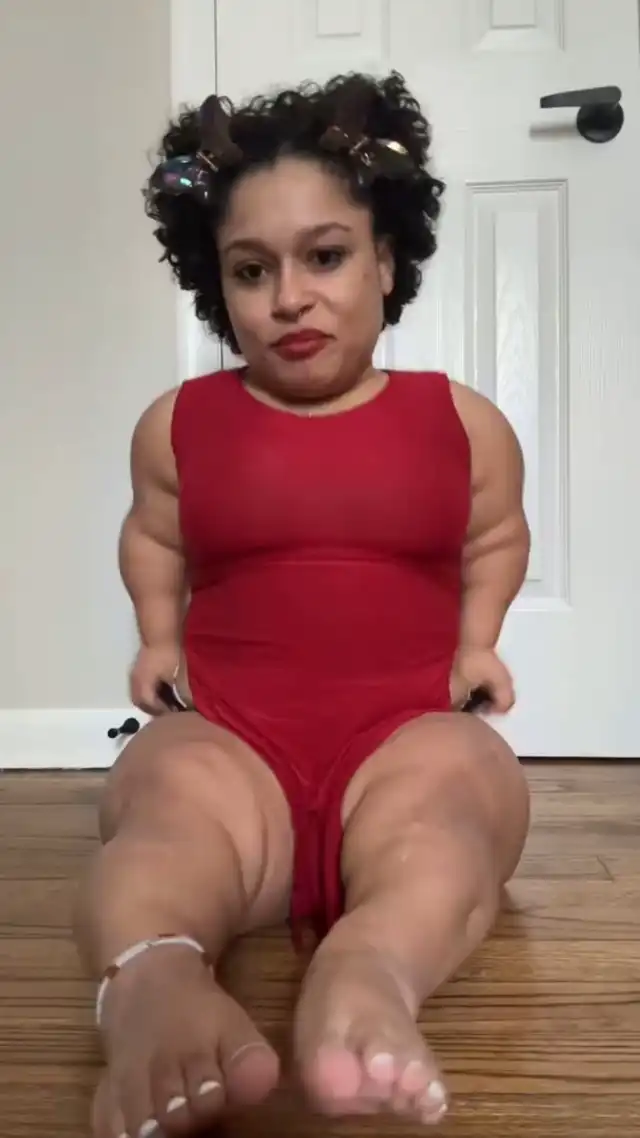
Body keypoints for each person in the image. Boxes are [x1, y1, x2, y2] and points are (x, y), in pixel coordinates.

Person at [74, 71, 531, 1137]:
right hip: (233, 739)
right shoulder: (178, 424)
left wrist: (478, 643)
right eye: (251, 270)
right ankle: (153, 979)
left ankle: (369, 969)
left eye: (324, 256)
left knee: (462, 803)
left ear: (386, 261)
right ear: (215, 285)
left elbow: (495, 538)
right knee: (159, 809)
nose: (289, 297)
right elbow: (154, 537)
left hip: (401, 737)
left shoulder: (462, 423)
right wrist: (156, 636)